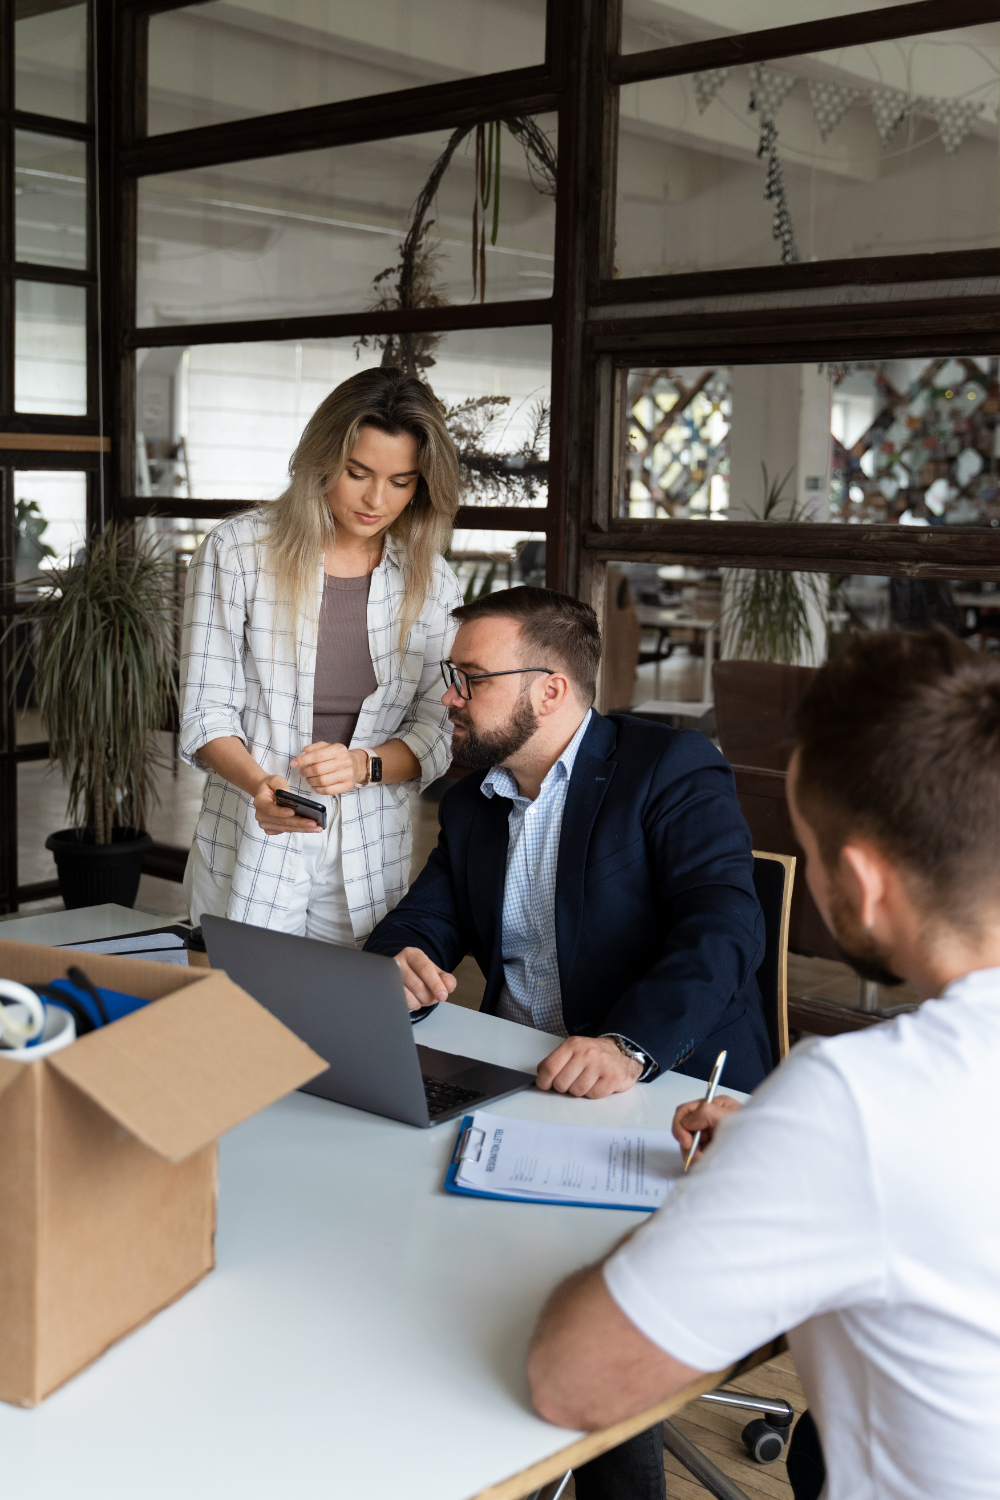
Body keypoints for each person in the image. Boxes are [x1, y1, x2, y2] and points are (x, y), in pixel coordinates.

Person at [527, 629, 1000, 1500]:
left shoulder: (859, 1104)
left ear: (860, 884)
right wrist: (782, 1148)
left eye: (809, 852)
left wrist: (760, 1169)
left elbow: (573, 1378)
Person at [364, 585, 771, 1500]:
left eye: (470, 679)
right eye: (451, 677)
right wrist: (400, 958)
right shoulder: (474, 798)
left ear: (548, 691)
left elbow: (723, 931)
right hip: (519, 1087)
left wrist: (628, 1041)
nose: (450, 699)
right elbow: (425, 916)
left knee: (578, 1305)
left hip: (659, 1097)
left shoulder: (669, 768)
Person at [179, 367, 462, 943]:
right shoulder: (238, 551)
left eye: (402, 481)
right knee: (241, 1015)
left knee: (346, 1018)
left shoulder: (432, 581)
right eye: (358, 473)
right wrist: (262, 786)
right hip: (253, 829)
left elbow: (438, 728)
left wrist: (365, 765)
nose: (376, 500)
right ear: (321, 461)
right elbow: (204, 712)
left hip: (368, 845)